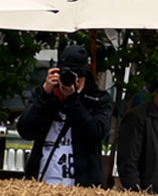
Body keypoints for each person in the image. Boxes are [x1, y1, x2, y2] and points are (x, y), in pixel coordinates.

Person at [17, 45, 113, 188]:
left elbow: (96, 133)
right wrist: (45, 94)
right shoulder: (46, 95)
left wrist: (73, 99)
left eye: (75, 76)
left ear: (83, 77)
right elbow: (25, 130)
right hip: (41, 185)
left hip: (81, 186)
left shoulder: (98, 99)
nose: (69, 80)